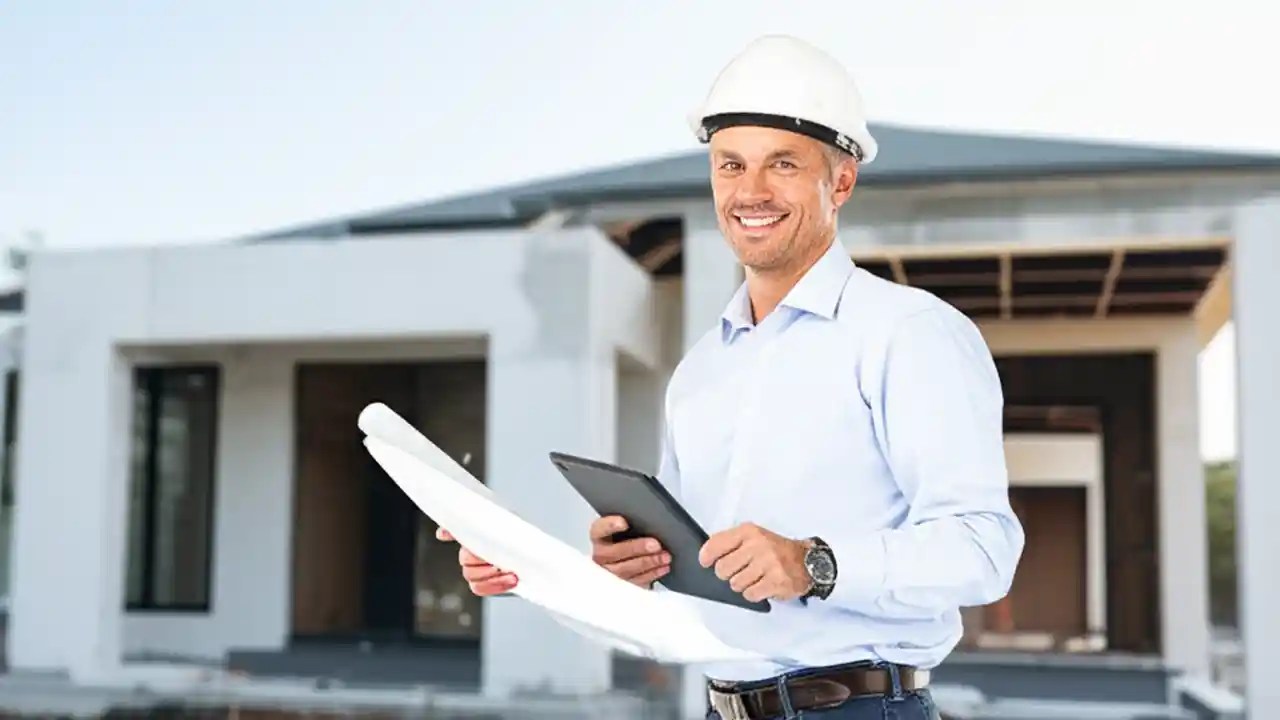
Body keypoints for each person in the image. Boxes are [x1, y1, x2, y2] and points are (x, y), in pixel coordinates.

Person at [437, 34, 1025, 720]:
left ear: (839, 181)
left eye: (782, 164)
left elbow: (984, 549)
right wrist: (540, 572)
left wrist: (814, 563)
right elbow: (687, 599)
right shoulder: (701, 370)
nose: (750, 192)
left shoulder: (906, 332)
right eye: (729, 165)